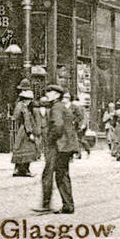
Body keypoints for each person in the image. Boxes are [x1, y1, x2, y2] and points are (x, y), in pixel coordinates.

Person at [35, 85, 78, 214]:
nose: (47, 93)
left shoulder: (56, 107)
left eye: (50, 92)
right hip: (65, 146)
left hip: (58, 146)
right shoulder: (62, 107)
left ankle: (46, 204)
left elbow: (58, 126)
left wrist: (50, 138)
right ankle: (68, 205)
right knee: (62, 174)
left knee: (48, 174)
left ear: (57, 95)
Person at [10, 89, 40, 176]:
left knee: (19, 149)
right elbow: (27, 120)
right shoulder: (24, 107)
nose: (30, 101)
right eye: (29, 99)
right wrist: (30, 133)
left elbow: (15, 117)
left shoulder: (18, 106)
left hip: (21, 130)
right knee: (28, 149)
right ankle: (25, 170)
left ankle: (17, 169)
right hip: (25, 131)